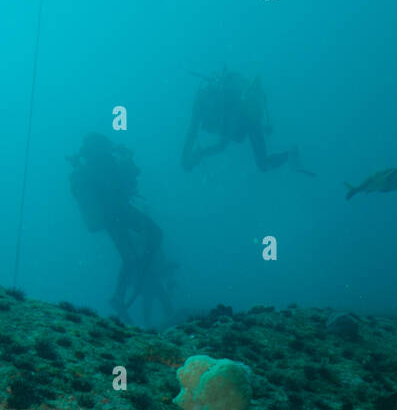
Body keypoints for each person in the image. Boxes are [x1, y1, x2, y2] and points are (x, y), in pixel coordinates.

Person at [67, 133, 165, 322]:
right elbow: (128, 179)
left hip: (110, 217)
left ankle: (119, 297)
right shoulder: (104, 166)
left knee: (130, 258)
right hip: (119, 212)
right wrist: (127, 158)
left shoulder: (91, 169)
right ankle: (137, 277)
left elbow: (124, 181)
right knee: (155, 234)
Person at [181, 70, 313, 175]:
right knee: (263, 164)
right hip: (251, 117)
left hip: (246, 118)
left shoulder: (204, 105)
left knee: (263, 164)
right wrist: (198, 155)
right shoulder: (223, 102)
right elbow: (224, 140)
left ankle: (290, 155)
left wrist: (191, 157)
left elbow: (194, 135)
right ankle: (290, 154)